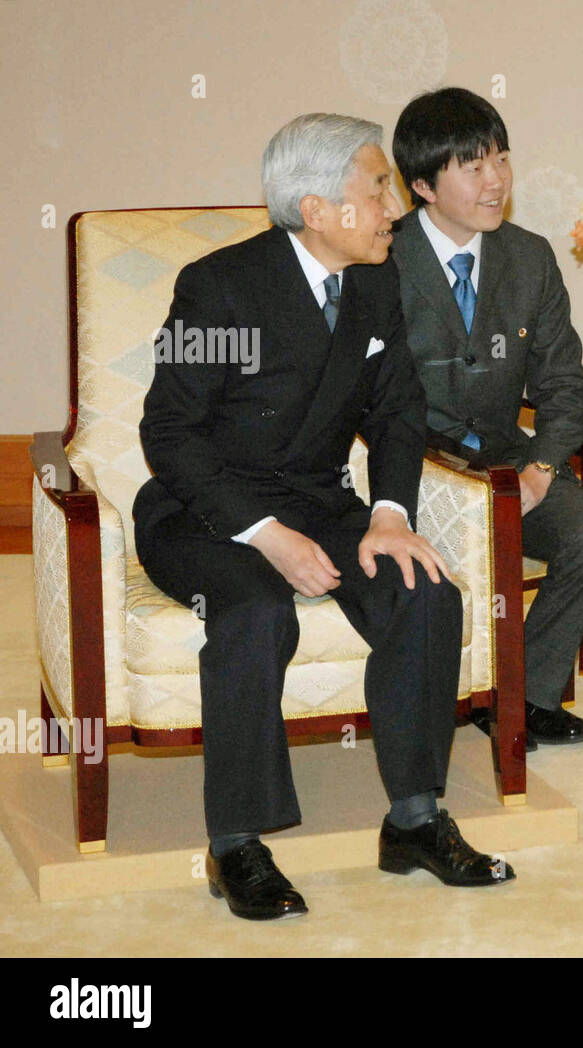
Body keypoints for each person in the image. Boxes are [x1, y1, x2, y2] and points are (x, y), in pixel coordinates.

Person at [134, 113, 513, 922]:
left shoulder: (376, 280)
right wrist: (265, 538)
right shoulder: (219, 287)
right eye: (377, 188)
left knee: (425, 588)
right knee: (256, 611)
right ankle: (236, 842)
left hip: (319, 497)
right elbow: (166, 433)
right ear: (316, 209)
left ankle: (414, 818)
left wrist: (388, 513)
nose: (392, 208)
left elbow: (400, 407)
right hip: (204, 509)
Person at [389, 87, 583, 748]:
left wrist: (544, 465)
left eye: (501, 158)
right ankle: (445, 695)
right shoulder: (380, 260)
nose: (496, 180)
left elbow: (564, 379)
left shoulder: (528, 257)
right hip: (414, 465)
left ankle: (522, 698)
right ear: (423, 186)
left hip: (503, 457)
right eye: (473, 166)